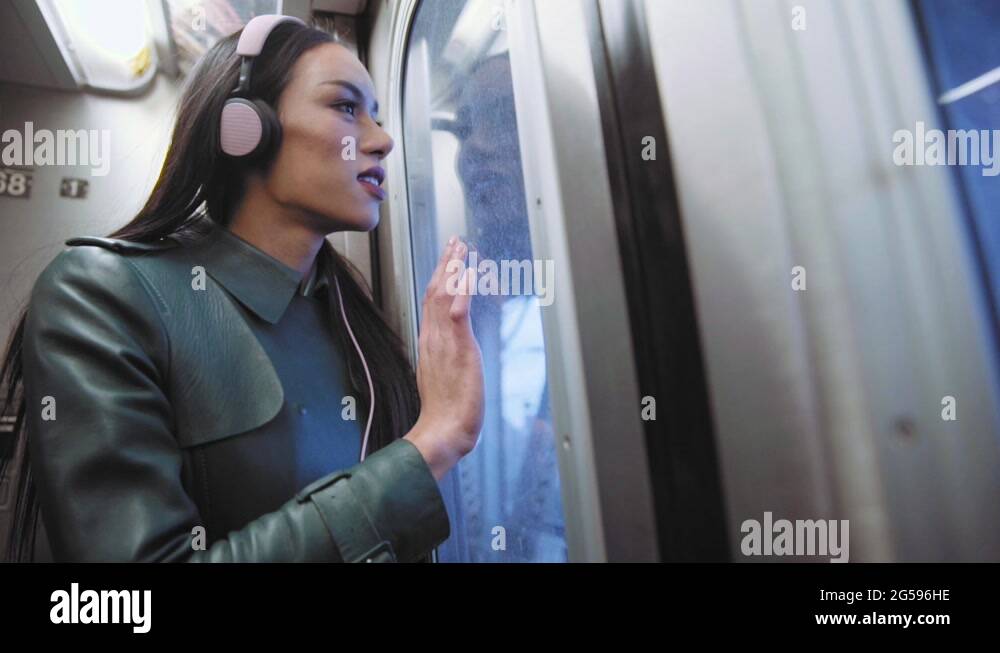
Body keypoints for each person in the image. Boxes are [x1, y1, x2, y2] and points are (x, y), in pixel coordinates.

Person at [0, 15, 484, 562]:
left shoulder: (353, 323)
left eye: (375, 113)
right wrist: (432, 443)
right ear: (246, 128)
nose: (382, 140)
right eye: (347, 108)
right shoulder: (101, 293)